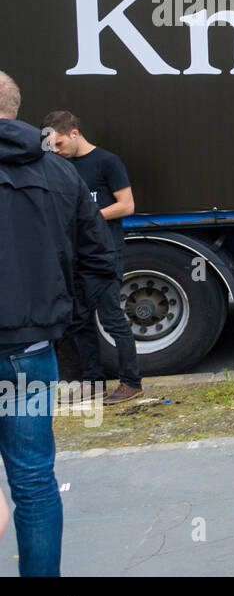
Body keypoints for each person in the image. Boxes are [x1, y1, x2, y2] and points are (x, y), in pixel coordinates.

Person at [1, 71, 118, 575]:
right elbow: (97, 256)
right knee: (32, 480)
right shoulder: (60, 173)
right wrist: (66, 313)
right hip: (31, 350)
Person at [42, 111, 141, 405]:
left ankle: (131, 382)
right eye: (51, 147)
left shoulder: (107, 162)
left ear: (74, 133)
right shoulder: (59, 166)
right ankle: (92, 382)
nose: (56, 151)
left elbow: (126, 206)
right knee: (78, 321)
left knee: (112, 319)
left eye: (59, 143)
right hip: (74, 255)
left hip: (105, 253)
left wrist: (86, 218)